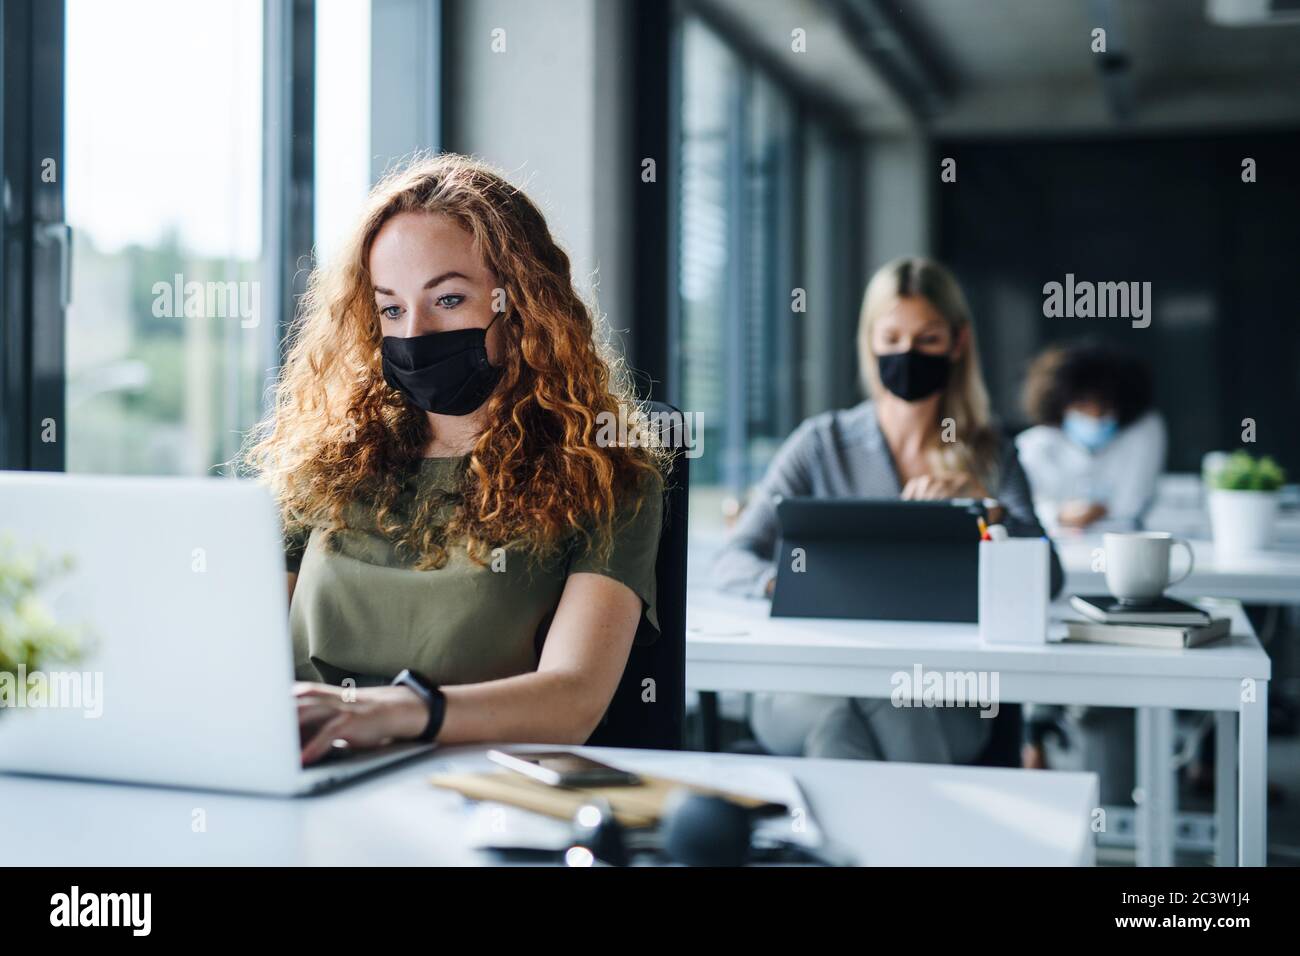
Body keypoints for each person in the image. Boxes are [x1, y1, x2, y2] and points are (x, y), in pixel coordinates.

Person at [244, 154, 665, 764]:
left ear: (520, 303)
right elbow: (241, 651)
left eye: (447, 299)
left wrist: (385, 713)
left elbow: (572, 701)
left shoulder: (604, 471)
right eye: (391, 308)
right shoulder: (324, 460)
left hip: (473, 778)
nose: (413, 333)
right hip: (305, 763)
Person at [713, 256, 1057, 762]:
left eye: (927, 339)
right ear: (870, 342)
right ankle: (934, 814)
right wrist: (793, 584)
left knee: (869, 705)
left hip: (942, 688)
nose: (907, 353)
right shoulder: (821, 444)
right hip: (808, 680)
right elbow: (732, 559)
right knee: (855, 701)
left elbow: (1050, 577)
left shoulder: (989, 453)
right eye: (891, 338)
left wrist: (992, 513)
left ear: (957, 343)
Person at [1015, 343, 1165, 534]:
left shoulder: (1141, 434)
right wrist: (1059, 514)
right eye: (1082, 405)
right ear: (1059, 404)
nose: (1095, 416)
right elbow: (1022, 507)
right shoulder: (1035, 445)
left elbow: (1130, 506)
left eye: (1105, 407)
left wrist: (1097, 511)